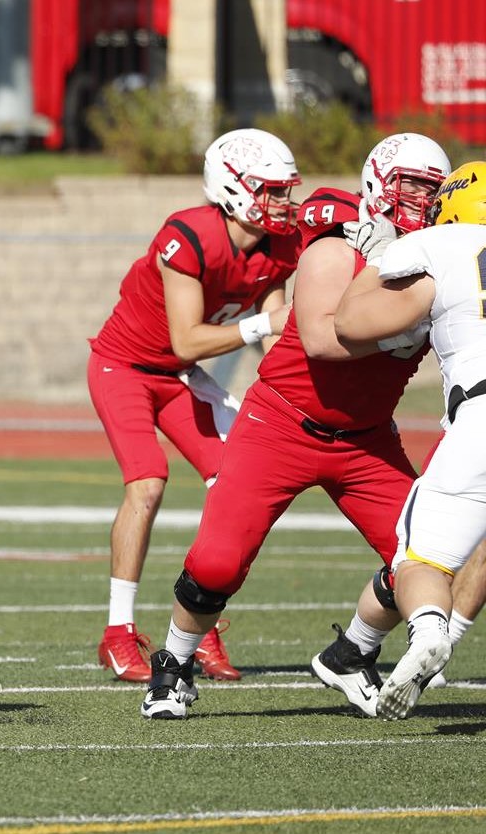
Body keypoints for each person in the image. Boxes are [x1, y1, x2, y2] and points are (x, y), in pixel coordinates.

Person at [138, 133, 452, 720]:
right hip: (281, 420)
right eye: (411, 183)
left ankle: (352, 651)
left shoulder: (437, 266)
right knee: (218, 562)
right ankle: (174, 661)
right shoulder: (336, 250)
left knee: (431, 555)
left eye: (432, 189)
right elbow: (321, 342)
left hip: (365, 439)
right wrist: (404, 322)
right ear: (381, 181)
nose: (421, 198)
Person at [88, 128, 300, 683]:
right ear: (231, 188)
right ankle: (117, 633)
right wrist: (263, 324)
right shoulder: (190, 234)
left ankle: (198, 627)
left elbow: (274, 340)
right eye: (271, 191)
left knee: (235, 484)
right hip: (125, 367)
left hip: (180, 377)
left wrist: (287, 394)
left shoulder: (279, 247)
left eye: (285, 192)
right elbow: (189, 338)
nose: (283, 203)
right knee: (148, 481)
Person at [331, 161, 486, 719]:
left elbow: (348, 324)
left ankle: (427, 633)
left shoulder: (438, 241)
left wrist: (375, 262)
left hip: (481, 416)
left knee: (422, 561)